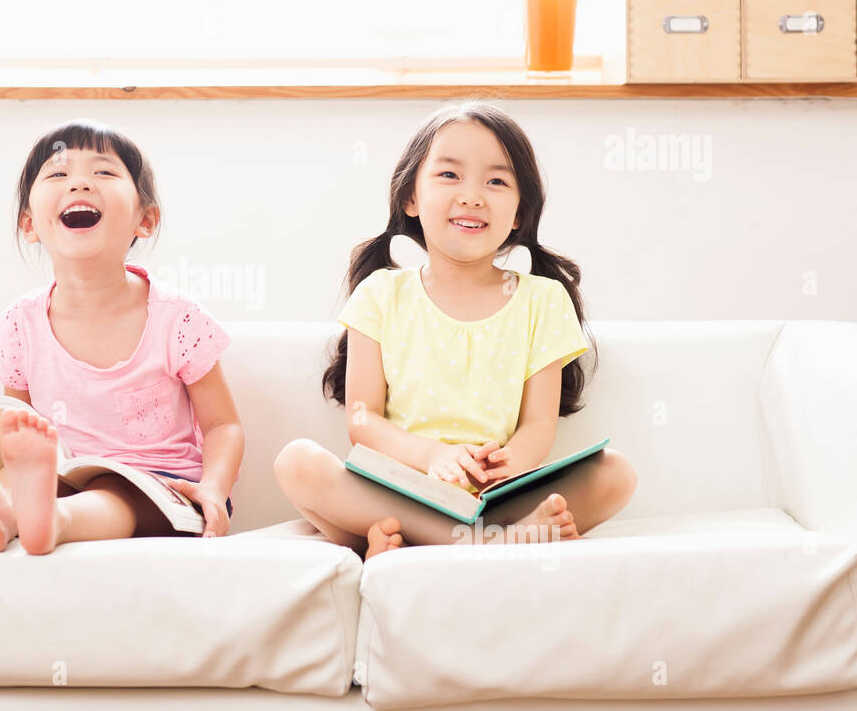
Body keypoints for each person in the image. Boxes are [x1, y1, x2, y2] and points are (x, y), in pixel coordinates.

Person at [273, 101, 636, 560]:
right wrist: (430, 458)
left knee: (615, 473)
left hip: (498, 497)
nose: (472, 196)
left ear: (520, 213)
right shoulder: (380, 293)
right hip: (404, 489)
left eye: (497, 181)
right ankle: (482, 544)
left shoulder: (542, 300)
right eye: (449, 176)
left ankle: (400, 541)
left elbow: (539, 424)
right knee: (297, 462)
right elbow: (362, 420)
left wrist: (509, 466)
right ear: (410, 197)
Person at [0, 119, 243, 554]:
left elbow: (222, 423)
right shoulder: (20, 326)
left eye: (103, 172)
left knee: (113, 497)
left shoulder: (178, 320)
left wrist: (213, 487)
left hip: (163, 486)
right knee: (25, 474)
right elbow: (16, 430)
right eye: (58, 174)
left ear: (145, 220)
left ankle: (51, 521)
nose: (79, 183)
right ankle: (0, 516)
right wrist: (14, 467)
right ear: (29, 224)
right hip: (60, 476)